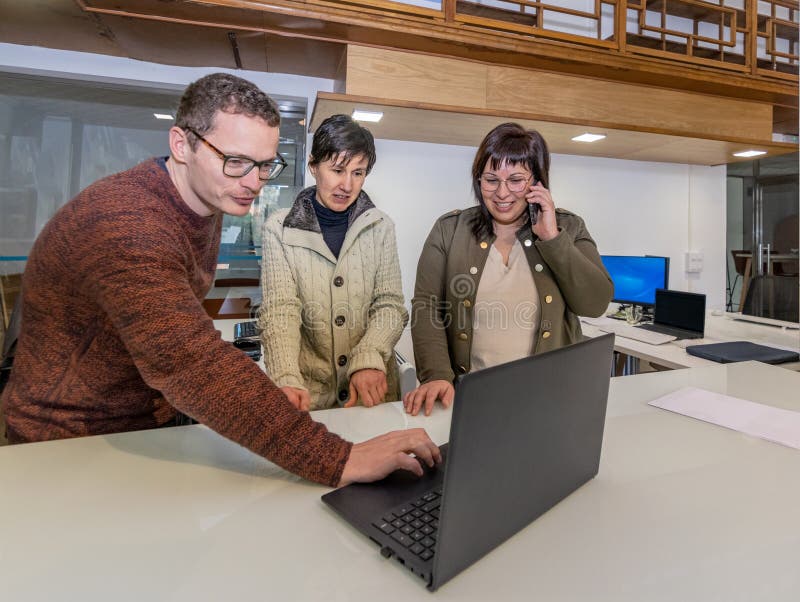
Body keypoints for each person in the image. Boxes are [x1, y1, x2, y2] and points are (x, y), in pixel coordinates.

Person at [0, 73, 439, 486]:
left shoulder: (203, 205)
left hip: (142, 423)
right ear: (181, 144)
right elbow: (191, 362)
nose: (253, 182)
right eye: (235, 161)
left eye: (265, 165)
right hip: (67, 443)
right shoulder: (130, 224)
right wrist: (341, 458)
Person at [404, 122, 613, 416]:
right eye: (491, 179)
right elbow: (426, 306)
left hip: (549, 400)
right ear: (479, 181)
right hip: (470, 398)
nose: (502, 193)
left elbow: (595, 303)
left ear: (537, 182)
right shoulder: (449, 230)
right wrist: (437, 374)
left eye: (516, 179)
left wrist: (553, 239)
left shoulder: (569, 227)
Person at [259, 114, 407, 411]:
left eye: (358, 172)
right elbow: (280, 310)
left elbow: (389, 305)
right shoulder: (279, 228)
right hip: (309, 397)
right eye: (337, 170)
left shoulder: (380, 227)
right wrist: (286, 376)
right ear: (314, 166)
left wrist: (368, 356)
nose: (347, 185)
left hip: (370, 396)